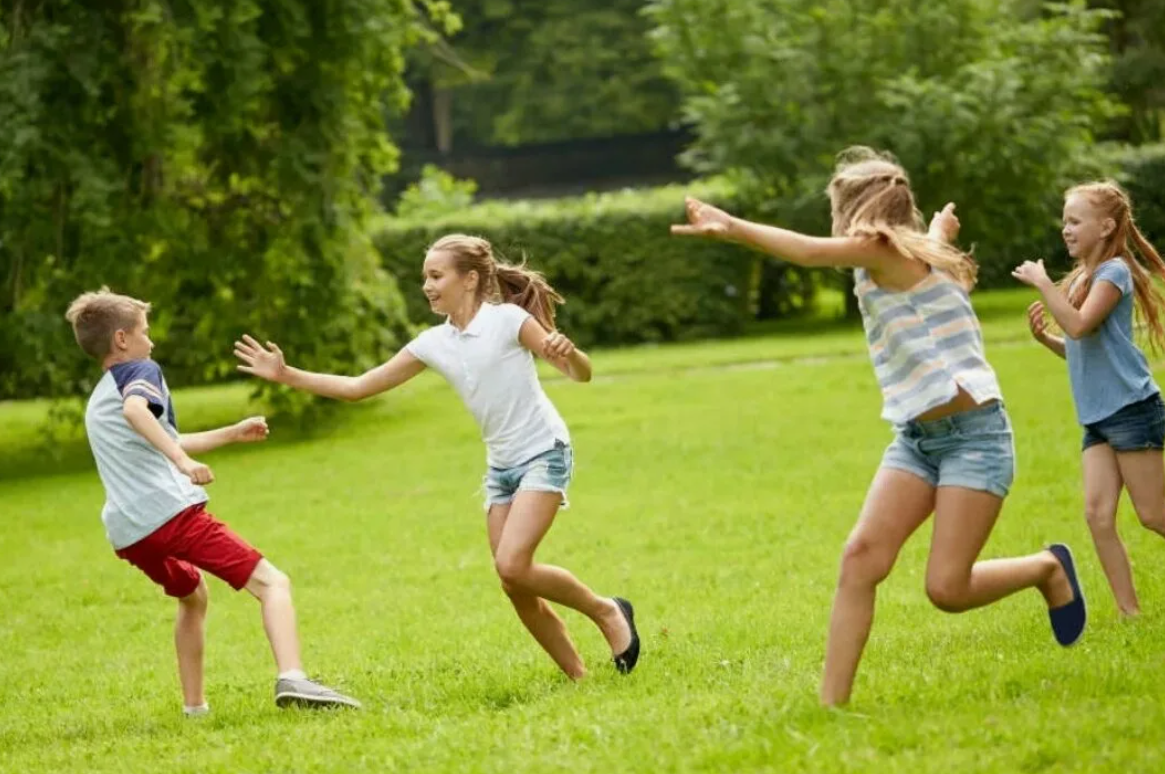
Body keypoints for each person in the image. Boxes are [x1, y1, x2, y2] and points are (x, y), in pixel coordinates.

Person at [672, 147, 1084, 706]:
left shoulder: (880, 250)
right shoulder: (918, 252)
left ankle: (1046, 568)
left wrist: (732, 227)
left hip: (975, 438)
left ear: (854, 215)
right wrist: (938, 227)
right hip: (916, 441)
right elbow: (926, 253)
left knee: (947, 588)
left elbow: (810, 251)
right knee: (860, 559)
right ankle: (830, 706)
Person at [234, 234, 640, 679]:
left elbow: (578, 374)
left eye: (435, 275)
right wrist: (285, 374)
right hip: (501, 467)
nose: (426, 286)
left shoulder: (508, 320)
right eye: (424, 277)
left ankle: (606, 612)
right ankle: (579, 677)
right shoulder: (433, 343)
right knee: (513, 583)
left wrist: (573, 355)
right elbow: (357, 388)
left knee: (512, 564)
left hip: (544, 450)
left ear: (469, 279)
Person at [66, 288, 360, 715]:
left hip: (130, 532)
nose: (152, 341)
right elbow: (138, 413)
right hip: (170, 514)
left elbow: (156, 435)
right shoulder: (139, 371)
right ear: (122, 340)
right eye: (144, 332)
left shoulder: (99, 398)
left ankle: (194, 708)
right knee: (273, 583)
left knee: (193, 595)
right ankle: (293, 678)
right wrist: (183, 461)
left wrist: (231, 434)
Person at [1014, 180, 1165, 616]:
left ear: (1105, 227)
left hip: (1133, 410)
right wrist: (1046, 339)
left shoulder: (1114, 272)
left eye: (1075, 221)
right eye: (1065, 221)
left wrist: (1044, 284)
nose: (1066, 229)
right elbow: (1079, 346)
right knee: (1098, 517)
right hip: (1098, 418)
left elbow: (1079, 325)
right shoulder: (1083, 276)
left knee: (1154, 515)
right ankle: (1129, 614)